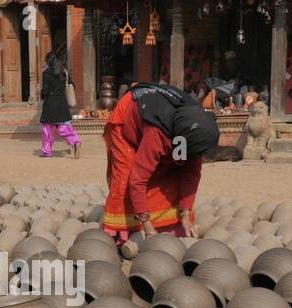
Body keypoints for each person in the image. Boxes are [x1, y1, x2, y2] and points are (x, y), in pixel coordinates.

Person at [102, 82, 219, 243]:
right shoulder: (157, 134)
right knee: (125, 178)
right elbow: (138, 180)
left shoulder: (194, 133)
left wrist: (185, 214)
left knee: (173, 172)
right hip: (128, 119)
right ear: (179, 142)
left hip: (164, 123)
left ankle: (167, 225)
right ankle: (121, 234)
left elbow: (191, 174)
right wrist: (148, 227)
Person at [39, 52, 82, 158]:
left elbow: (45, 91)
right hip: (62, 104)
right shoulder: (64, 72)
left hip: (50, 105)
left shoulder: (46, 73)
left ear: (48, 61)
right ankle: (75, 141)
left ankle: (47, 151)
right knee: (64, 127)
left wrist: (42, 93)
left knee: (47, 129)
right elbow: (72, 85)